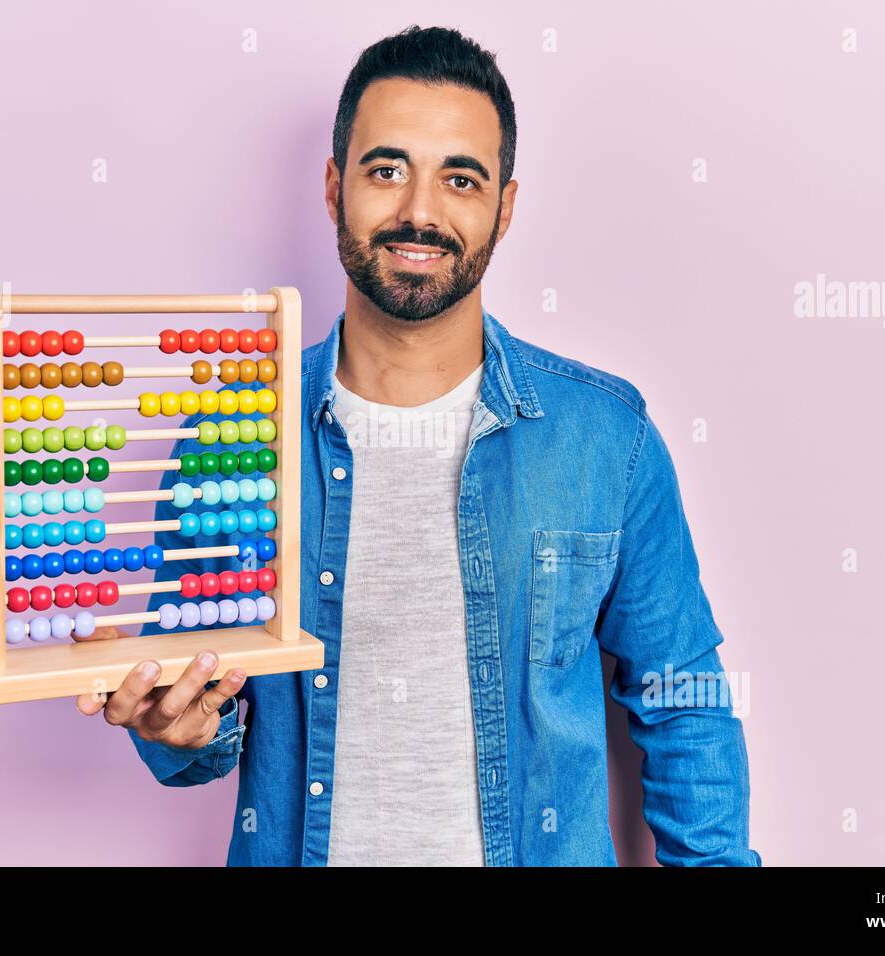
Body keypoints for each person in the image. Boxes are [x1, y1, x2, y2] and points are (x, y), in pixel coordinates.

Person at [76, 24, 761, 867]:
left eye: (460, 179)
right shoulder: (232, 440)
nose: (419, 212)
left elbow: (683, 699)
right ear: (334, 188)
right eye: (386, 169)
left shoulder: (605, 440)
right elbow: (189, 726)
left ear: (504, 208)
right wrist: (175, 730)